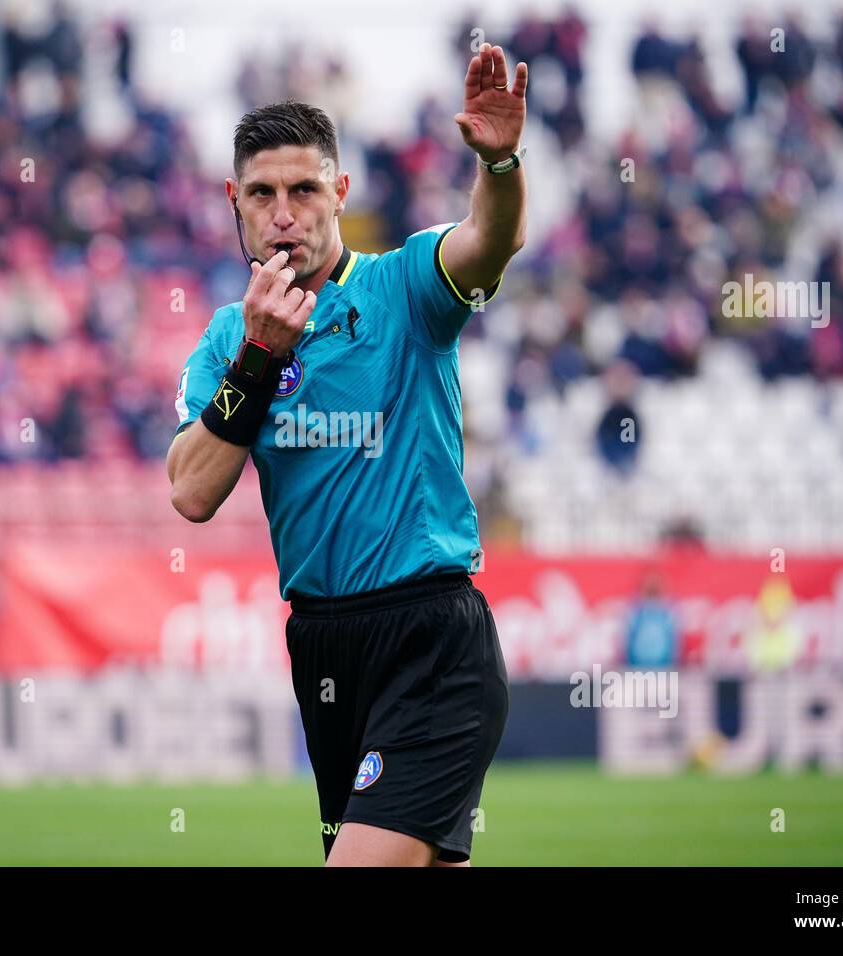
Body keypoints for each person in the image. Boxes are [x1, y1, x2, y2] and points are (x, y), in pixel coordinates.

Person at [167, 43, 528, 866]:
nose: (284, 212)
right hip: (325, 650)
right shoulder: (230, 338)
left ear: (341, 191)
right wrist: (257, 358)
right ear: (234, 202)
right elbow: (191, 490)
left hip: (432, 639)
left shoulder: (406, 288)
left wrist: (501, 164)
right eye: (262, 194)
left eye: (303, 189)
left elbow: (489, 243)